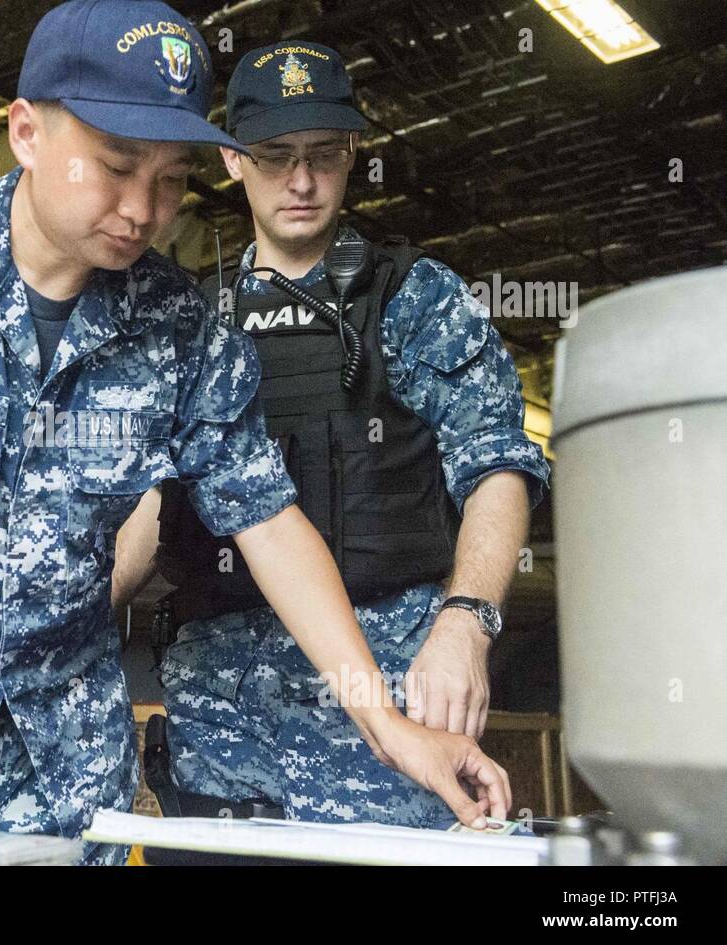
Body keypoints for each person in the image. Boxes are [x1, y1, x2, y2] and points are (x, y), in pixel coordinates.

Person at [0, 0, 511, 866]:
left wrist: (384, 721)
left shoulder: (186, 333)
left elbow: (266, 521)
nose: (142, 209)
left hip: (62, 783)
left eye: (170, 179)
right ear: (26, 131)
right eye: (115, 167)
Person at [115, 39, 550, 827]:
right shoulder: (192, 324)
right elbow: (151, 507)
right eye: (275, 156)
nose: (303, 180)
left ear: (355, 157)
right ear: (233, 163)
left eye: (326, 154)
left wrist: (468, 622)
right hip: (223, 711)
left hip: (388, 704)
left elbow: (499, 466)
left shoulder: (412, 299)